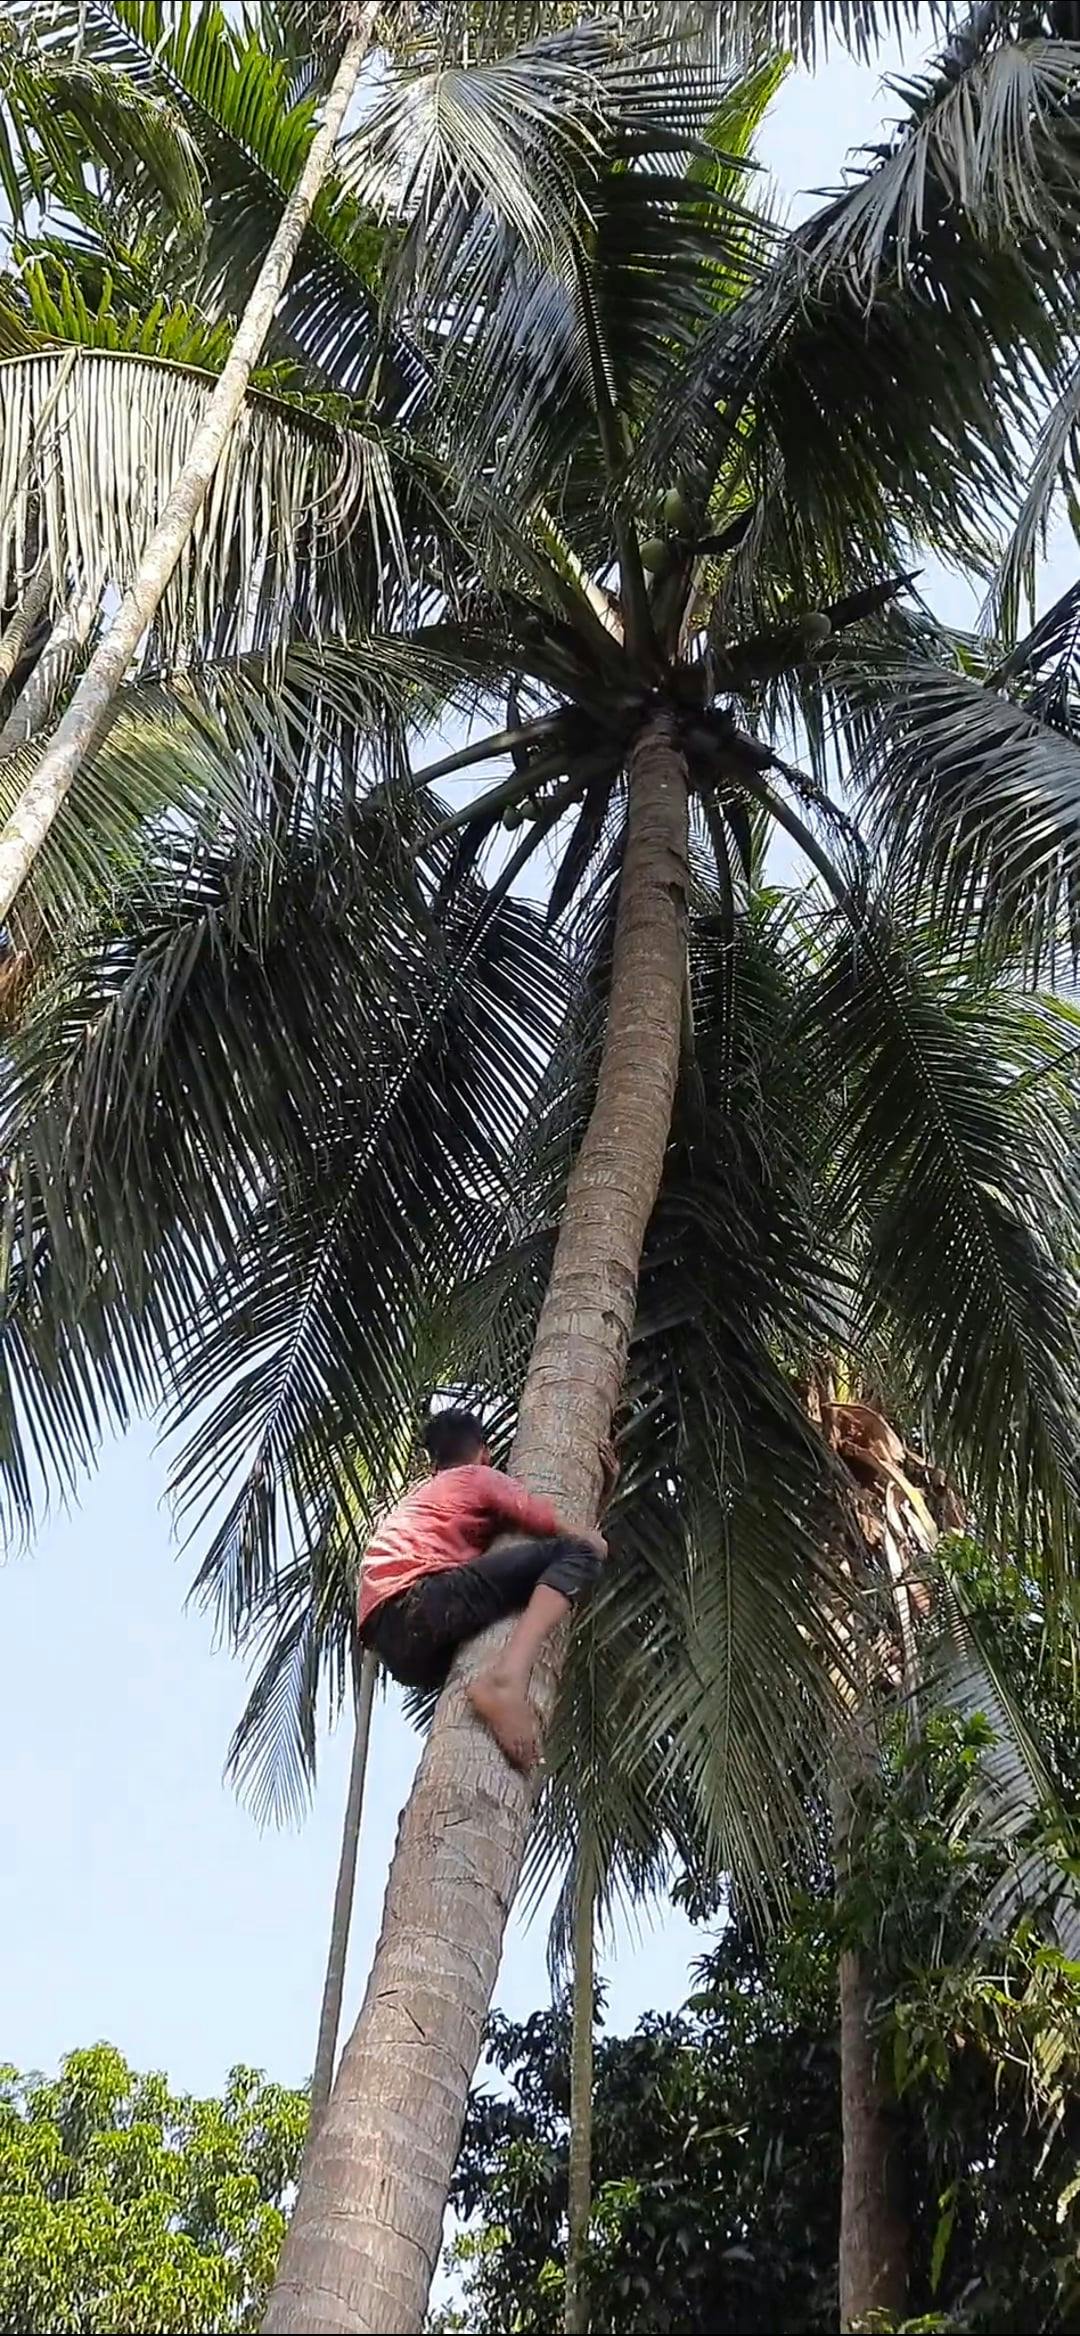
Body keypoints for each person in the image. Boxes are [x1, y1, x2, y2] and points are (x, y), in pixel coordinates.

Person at [358, 1407, 615, 1770]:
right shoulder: (476, 1476)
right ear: (485, 1453)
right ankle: (506, 1679)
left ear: (435, 1465)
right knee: (580, 1553)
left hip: (397, 1645)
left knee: (459, 1695)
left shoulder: (425, 1498)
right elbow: (544, 1522)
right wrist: (595, 1541)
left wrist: (599, 1497)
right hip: (422, 1601)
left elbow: (516, 1564)